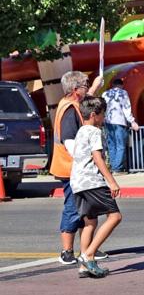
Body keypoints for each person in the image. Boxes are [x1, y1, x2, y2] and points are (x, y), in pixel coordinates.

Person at [51, 70, 103, 265]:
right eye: (85, 85)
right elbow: (70, 142)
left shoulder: (73, 103)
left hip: (77, 168)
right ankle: (67, 251)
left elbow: (87, 98)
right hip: (70, 168)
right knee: (73, 208)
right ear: (75, 90)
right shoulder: (70, 110)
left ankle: (87, 248)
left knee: (86, 209)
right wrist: (86, 159)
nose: (87, 88)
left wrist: (95, 86)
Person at [69, 97, 122, 279]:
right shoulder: (94, 131)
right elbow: (97, 158)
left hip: (77, 182)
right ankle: (88, 254)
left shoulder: (81, 131)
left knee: (90, 222)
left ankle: (83, 266)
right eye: (102, 114)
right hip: (92, 181)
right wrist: (111, 181)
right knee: (115, 216)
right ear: (93, 115)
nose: (104, 118)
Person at [101, 78, 138, 174]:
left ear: (113, 85)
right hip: (119, 121)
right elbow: (126, 108)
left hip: (107, 121)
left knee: (112, 145)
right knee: (120, 145)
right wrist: (132, 121)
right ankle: (118, 168)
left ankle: (114, 167)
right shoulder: (123, 93)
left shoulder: (105, 94)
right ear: (121, 85)